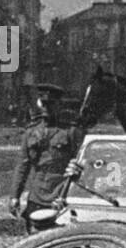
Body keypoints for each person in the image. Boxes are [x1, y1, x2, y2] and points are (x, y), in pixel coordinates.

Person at [8, 83, 86, 231]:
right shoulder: (31, 132)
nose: (46, 108)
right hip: (36, 195)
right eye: (43, 103)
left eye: (51, 104)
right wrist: (14, 196)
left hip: (60, 194)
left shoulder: (71, 131)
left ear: (59, 105)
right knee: (34, 237)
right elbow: (22, 167)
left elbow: (82, 164)